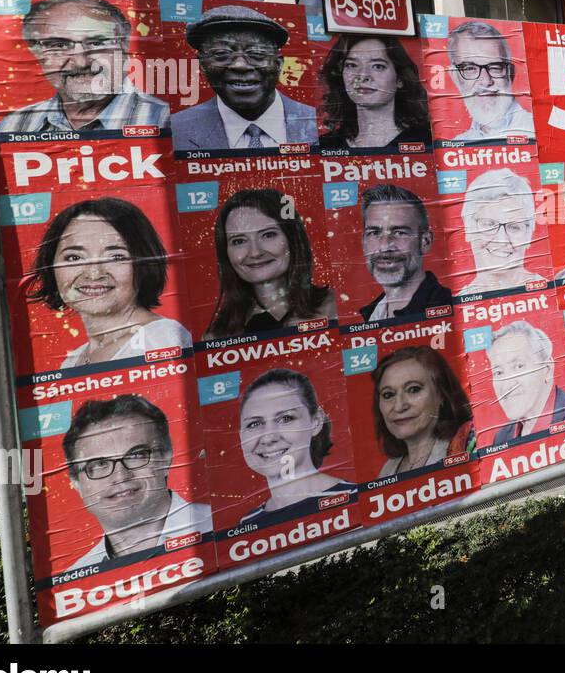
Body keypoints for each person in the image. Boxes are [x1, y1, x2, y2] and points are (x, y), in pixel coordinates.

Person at [29, 198, 191, 369]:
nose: (94, 274)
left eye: (116, 257)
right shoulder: (73, 360)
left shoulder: (162, 340)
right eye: (74, 257)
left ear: (144, 263)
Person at [64, 395, 211, 571]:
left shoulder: (221, 526)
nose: (121, 476)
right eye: (99, 464)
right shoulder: (77, 577)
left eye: (136, 455)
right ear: (76, 483)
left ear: (166, 457)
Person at [0, 0, 168, 135]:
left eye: (97, 43)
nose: (81, 62)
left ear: (124, 48)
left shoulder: (164, 119)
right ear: (37, 53)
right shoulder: (13, 126)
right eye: (58, 45)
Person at [172, 5, 317, 151]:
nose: (240, 65)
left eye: (257, 54)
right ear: (202, 64)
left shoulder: (319, 123)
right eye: (222, 53)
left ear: (278, 64)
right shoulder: (176, 130)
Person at [206, 189, 337, 339]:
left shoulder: (335, 309)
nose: (255, 253)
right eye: (239, 241)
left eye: (268, 235)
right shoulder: (216, 336)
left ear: (292, 239)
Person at [237, 368, 357, 527]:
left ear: (316, 421)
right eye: (254, 424)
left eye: (285, 418)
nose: (268, 437)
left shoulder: (355, 497)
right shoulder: (248, 523)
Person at [372, 346, 474, 477]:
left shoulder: (468, 445)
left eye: (413, 390)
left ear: (441, 395)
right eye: (388, 395)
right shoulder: (387, 470)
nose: (399, 406)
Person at [318, 34, 432, 150]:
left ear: (399, 79)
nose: (362, 76)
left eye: (378, 66)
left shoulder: (428, 142)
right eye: (352, 65)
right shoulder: (325, 146)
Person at [358, 185, 452, 323]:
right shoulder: (370, 314)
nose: (384, 246)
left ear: (425, 242)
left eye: (399, 232)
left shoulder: (448, 307)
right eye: (374, 233)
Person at [457, 168, 546, 297]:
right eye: (489, 224)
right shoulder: (459, 306)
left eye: (514, 227)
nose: (502, 239)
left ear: (529, 234)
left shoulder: (549, 293)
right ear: (468, 229)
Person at [485, 321, 565, 444]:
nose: (507, 385)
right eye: (499, 373)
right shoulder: (501, 438)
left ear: (547, 369)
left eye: (518, 366)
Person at [445, 20, 535, 141]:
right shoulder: (457, 146)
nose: (485, 81)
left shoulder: (536, 131)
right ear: (455, 77)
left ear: (510, 73)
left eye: (495, 67)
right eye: (470, 68)